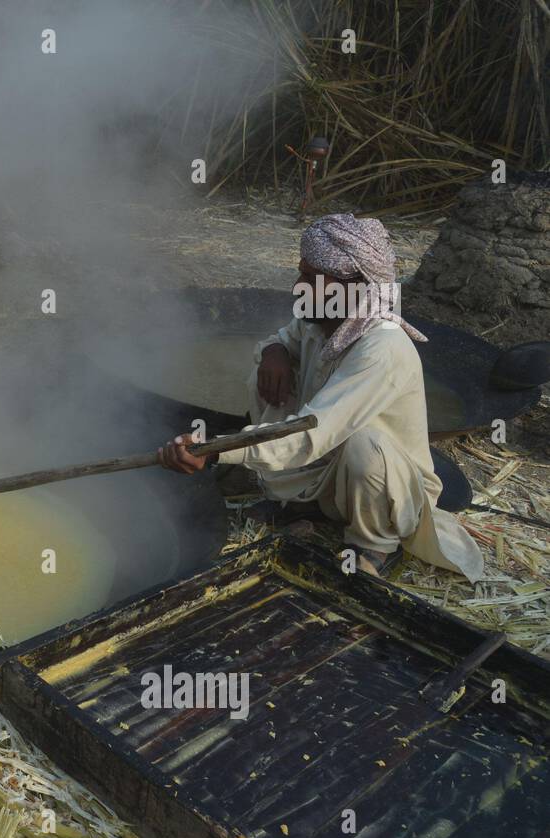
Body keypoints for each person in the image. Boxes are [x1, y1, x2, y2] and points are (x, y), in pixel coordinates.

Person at [157, 212, 483, 581]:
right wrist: (274, 353)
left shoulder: (382, 347)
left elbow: (313, 431)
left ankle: (374, 542)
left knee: (365, 444)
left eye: (311, 279)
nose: (298, 286)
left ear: (354, 287)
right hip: (329, 467)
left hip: (381, 484)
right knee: (267, 375)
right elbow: (281, 338)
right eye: (301, 273)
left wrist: (214, 449)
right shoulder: (321, 321)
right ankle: (304, 505)